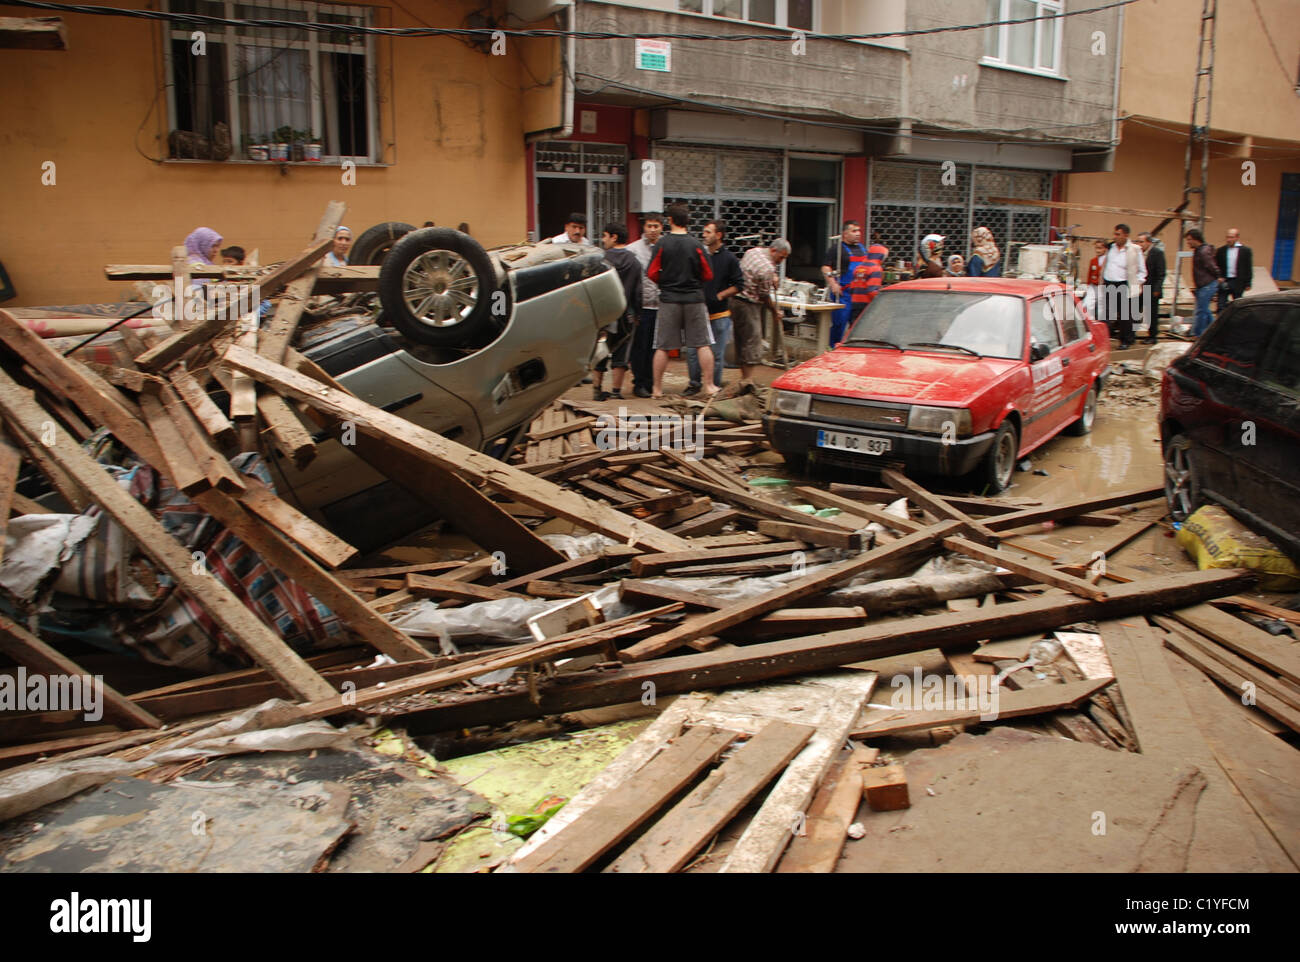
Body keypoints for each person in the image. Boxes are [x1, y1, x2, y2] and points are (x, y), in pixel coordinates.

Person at [646, 203, 715, 399]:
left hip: (669, 299)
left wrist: (665, 282)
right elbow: (709, 274)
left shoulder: (662, 244)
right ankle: (709, 385)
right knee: (702, 343)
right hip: (694, 299)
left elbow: (651, 272)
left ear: (669, 221)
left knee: (662, 346)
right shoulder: (696, 245)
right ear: (688, 221)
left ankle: (657, 389)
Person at [684, 219, 743, 396]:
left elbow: (739, 285)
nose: (704, 235)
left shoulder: (729, 259)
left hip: (719, 314)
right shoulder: (699, 255)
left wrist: (720, 295)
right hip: (697, 312)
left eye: (708, 232)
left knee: (717, 355)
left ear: (719, 235)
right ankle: (694, 384)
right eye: (704, 232)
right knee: (692, 353)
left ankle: (713, 387)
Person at [594, 223, 641, 402]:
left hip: (602, 314)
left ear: (614, 237)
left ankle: (597, 390)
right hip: (625, 314)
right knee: (622, 351)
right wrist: (637, 314)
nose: (603, 240)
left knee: (600, 350)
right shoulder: (635, 262)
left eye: (605, 236)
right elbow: (638, 292)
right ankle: (615, 391)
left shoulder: (600, 260)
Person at [732, 238, 791, 381]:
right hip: (748, 304)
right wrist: (774, 311)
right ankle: (747, 380)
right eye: (781, 257)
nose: (781, 261)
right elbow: (764, 295)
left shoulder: (753, 251)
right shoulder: (767, 269)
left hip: (734, 299)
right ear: (773, 250)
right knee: (752, 341)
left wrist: (773, 277)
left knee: (741, 340)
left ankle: (744, 378)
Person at [626, 212, 664, 398]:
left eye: (656, 226)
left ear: (661, 228)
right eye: (649, 226)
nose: (652, 230)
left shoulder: (667, 247)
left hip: (662, 306)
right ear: (644, 227)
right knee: (640, 347)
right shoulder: (633, 250)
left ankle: (651, 382)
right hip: (642, 307)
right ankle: (639, 382)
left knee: (656, 347)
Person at [821, 220, 870, 348]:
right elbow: (826, 267)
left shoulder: (862, 249)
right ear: (845, 233)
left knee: (858, 324)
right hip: (843, 294)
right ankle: (832, 348)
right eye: (854, 231)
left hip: (859, 294)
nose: (858, 234)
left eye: (859, 231)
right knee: (839, 323)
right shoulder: (836, 249)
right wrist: (833, 284)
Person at [1100, 223, 1145, 349]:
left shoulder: (1134, 249)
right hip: (1109, 283)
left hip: (1124, 284)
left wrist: (1137, 283)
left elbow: (1142, 270)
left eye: (1118, 234)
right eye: (1114, 234)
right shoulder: (1111, 248)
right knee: (1107, 314)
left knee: (1125, 316)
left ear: (1126, 235)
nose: (1115, 237)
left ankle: (1126, 340)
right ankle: (1103, 341)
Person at [1186, 228, 1223, 337]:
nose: (1188, 242)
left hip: (1206, 284)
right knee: (1205, 310)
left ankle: (1199, 335)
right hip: (1203, 285)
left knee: (1200, 311)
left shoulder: (1203, 251)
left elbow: (1211, 266)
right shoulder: (1199, 250)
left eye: (1189, 240)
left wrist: (1218, 276)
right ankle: (1215, 332)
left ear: (1196, 239)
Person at [1136, 232, 1166, 343]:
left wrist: (1157, 289)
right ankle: (1131, 334)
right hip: (1139, 287)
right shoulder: (1138, 253)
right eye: (1138, 241)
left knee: (1151, 314)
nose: (1139, 244)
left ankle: (1152, 336)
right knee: (1135, 311)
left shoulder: (1157, 253)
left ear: (1149, 242)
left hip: (1151, 288)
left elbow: (1161, 273)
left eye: (1142, 241)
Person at [1214, 228, 1252, 311]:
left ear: (1237, 238)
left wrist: (1248, 283)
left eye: (1231, 237)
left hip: (1238, 281)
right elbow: (1216, 266)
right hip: (1225, 280)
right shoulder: (1221, 250)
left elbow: (1248, 267)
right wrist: (1219, 277)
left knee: (1237, 305)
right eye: (1227, 237)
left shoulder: (1245, 251)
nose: (1228, 240)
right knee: (1221, 305)